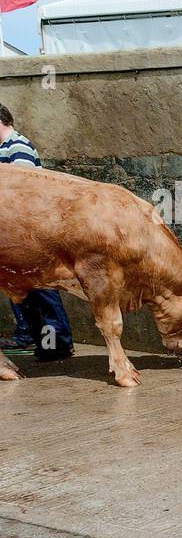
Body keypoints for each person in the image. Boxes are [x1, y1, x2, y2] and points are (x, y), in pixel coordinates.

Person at [0, 102, 74, 361]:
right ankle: (36, 338)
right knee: (22, 287)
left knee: (42, 288)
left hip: (30, 232)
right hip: (17, 233)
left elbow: (26, 191)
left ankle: (58, 343)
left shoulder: (17, 146)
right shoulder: (4, 148)